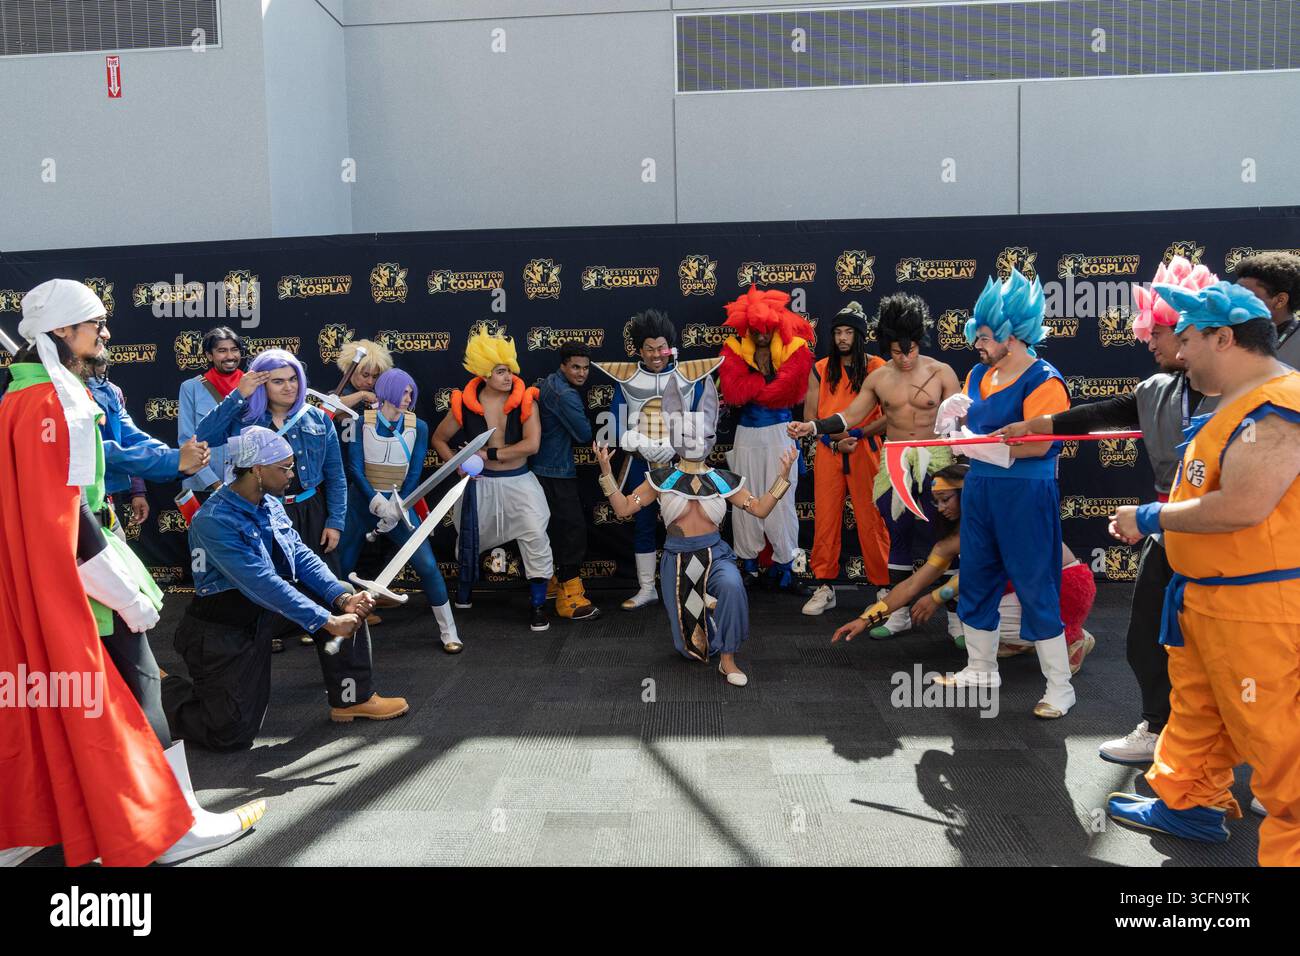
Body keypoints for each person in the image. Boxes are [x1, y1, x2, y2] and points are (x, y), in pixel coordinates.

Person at [1, 279, 262, 866]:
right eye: (94, 324)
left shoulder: (22, 399)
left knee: (52, 699)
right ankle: (174, 826)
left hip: (40, 587)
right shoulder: (58, 405)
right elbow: (69, 517)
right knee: (143, 686)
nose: (105, 334)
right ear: (63, 332)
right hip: (81, 587)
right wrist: (123, 592)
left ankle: (41, 824)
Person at [1106, 280, 1300, 866]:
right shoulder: (1234, 403)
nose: (1179, 352)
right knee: (1198, 709)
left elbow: (1244, 505)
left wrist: (1149, 516)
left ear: (1225, 337)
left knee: (1275, 739)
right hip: (1208, 601)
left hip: (1255, 610)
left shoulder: (1276, 405)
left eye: (1187, 339)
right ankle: (1188, 803)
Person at [998, 256, 1217, 762]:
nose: (1151, 341)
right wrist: (1032, 426)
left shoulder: (1245, 395)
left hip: (1224, 538)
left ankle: (1265, 760)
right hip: (1169, 531)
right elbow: (1097, 414)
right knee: (1146, 638)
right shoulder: (1155, 389)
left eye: (1161, 333)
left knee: (1226, 650)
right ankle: (1158, 728)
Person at [163, 426, 410, 750]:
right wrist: (324, 621)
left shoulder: (270, 502)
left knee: (339, 594)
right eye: (285, 467)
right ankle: (159, 685)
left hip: (267, 610)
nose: (293, 474)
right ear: (256, 469)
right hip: (224, 627)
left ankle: (352, 698)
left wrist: (343, 598)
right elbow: (261, 583)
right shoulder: (214, 520)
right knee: (229, 735)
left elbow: (301, 556)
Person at [930, 268, 1075, 718]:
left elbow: (1042, 443)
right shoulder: (977, 374)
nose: (978, 342)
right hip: (981, 489)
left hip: (1024, 495)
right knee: (976, 576)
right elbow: (968, 433)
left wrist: (982, 442)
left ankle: (1060, 686)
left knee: (1035, 584)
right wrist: (952, 426)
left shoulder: (1044, 379)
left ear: (1012, 336)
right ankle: (980, 667)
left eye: (986, 335)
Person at [594, 376, 797, 686]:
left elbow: (760, 509)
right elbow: (623, 509)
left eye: (702, 434)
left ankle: (728, 661)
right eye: (687, 435)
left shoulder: (722, 480)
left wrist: (782, 478)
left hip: (715, 554)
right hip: (677, 559)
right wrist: (607, 474)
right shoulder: (661, 479)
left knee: (731, 585)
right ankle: (710, 616)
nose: (695, 441)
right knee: (692, 649)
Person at [790, 293, 960, 637]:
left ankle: (957, 617)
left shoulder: (942, 372)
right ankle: (896, 613)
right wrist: (813, 427)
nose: (904, 357)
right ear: (887, 346)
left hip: (936, 460)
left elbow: (963, 421)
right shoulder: (880, 377)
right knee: (896, 535)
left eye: (909, 349)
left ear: (919, 342)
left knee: (946, 536)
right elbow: (849, 415)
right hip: (894, 460)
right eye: (896, 351)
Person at [829, 464, 1096, 673]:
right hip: (1027, 586)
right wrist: (865, 619)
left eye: (946, 499)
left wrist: (936, 596)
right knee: (970, 607)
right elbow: (911, 586)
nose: (940, 508)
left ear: (967, 494)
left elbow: (985, 572)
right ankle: (1025, 640)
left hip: (1067, 585)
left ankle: (1072, 637)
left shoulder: (1000, 519)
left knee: (971, 610)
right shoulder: (951, 541)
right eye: (936, 501)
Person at [196, 349, 347, 649]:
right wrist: (239, 395)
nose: (288, 386)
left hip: (310, 509)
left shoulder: (317, 418)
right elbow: (204, 436)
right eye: (278, 381)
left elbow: (336, 476)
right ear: (262, 384)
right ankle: (269, 634)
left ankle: (326, 642)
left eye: (293, 379)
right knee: (270, 580)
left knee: (321, 581)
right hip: (261, 510)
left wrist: (335, 521)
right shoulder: (243, 419)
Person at [593, 310, 719, 610]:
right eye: (649, 348)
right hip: (641, 462)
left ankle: (699, 587)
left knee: (691, 524)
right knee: (644, 523)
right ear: (639, 350)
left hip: (683, 462)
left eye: (661, 348)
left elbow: (704, 419)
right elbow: (613, 426)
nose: (655, 354)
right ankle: (647, 588)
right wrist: (640, 442)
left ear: (671, 348)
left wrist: (676, 444)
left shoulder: (690, 378)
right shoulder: (626, 381)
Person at [432, 329, 554, 631]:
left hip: (519, 482)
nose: (508, 376)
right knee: (469, 540)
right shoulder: (465, 403)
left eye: (510, 370)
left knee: (536, 538)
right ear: (485, 373)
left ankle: (539, 605)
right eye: (500, 371)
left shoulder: (525, 400)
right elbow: (438, 439)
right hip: (480, 486)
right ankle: (464, 593)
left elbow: (532, 445)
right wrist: (457, 465)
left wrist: (491, 454)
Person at [336, 368, 462, 652]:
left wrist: (398, 505)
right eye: (403, 391)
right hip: (361, 505)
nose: (408, 397)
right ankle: (325, 623)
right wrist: (375, 501)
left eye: (410, 392)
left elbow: (415, 470)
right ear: (388, 390)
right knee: (341, 565)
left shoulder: (418, 426)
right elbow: (354, 468)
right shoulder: (360, 422)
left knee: (428, 566)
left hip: (400, 506)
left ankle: (449, 631)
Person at [718, 286, 814, 595]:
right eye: (755, 331)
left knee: (782, 501)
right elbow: (733, 393)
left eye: (766, 330)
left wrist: (755, 385)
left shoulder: (794, 347)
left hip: (780, 434)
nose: (761, 336)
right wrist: (761, 381)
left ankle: (788, 568)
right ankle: (747, 566)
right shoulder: (733, 348)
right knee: (745, 497)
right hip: (746, 434)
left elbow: (790, 393)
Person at [800, 301, 890, 615]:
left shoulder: (878, 366)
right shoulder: (821, 368)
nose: (842, 338)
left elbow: (890, 415)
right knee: (825, 519)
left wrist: (861, 435)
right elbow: (810, 416)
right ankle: (824, 586)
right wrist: (835, 441)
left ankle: (883, 587)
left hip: (866, 449)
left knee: (872, 519)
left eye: (848, 332)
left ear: (859, 335)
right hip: (829, 449)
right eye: (837, 332)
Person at [87, 353, 211, 536]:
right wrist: (175, 460)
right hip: (73, 507)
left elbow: (133, 439)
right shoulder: (57, 392)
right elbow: (98, 451)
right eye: (95, 324)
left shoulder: (108, 390)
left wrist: (180, 460)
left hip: (104, 503)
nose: (105, 334)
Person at [533, 342, 600, 620]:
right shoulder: (564, 394)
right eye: (575, 366)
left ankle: (551, 583)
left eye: (585, 368)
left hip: (541, 469)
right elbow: (584, 433)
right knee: (572, 531)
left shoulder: (549, 383)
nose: (582, 373)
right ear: (563, 365)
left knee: (551, 531)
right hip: (555, 471)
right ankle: (569, 597)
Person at [179, 326, 244, 501]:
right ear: (209, 355)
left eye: (234, 350)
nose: (230, 356)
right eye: (222, 351)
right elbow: (187, 441)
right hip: (204, 487)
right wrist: (215, 484)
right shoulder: (191, 387)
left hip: (246, 487)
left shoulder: (251, 387)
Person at [1234, 251, 1300, 367]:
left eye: (1246, 296)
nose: (1235, 302)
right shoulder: (1225, 336)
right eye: (1235, 294)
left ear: (1280, 300)